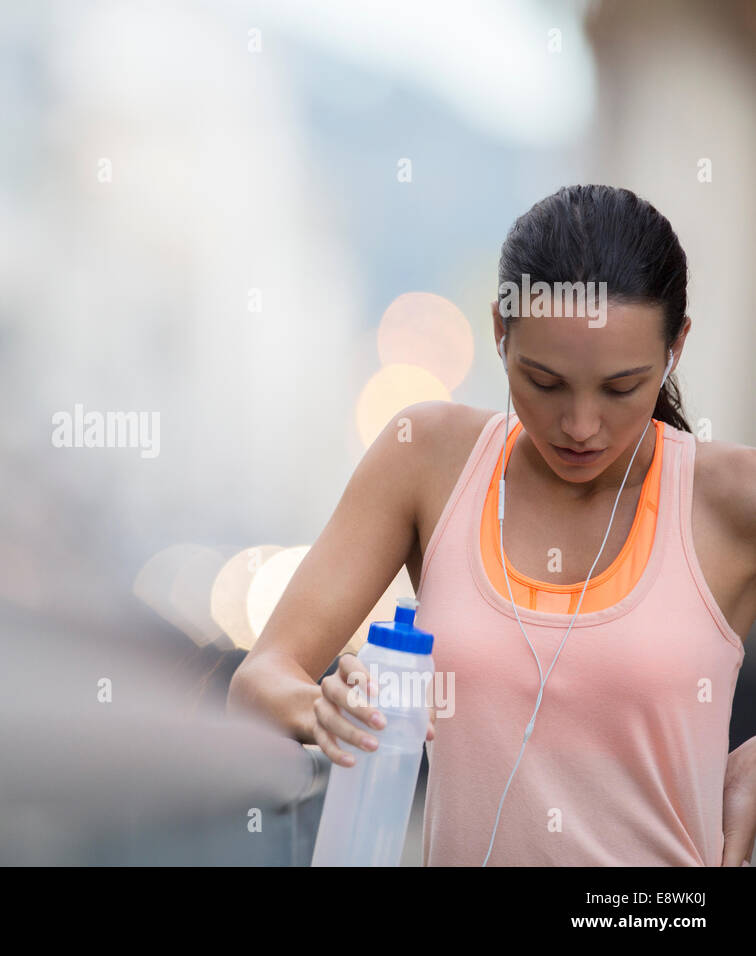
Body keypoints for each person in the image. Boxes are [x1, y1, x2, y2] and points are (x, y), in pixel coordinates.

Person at [227, 184, 756, 866]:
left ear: (676, 347)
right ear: (500, 333)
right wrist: (318, 709)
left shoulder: (727, 496)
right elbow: (264, 673)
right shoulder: (427, 456)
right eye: (544, 381)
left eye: (622, 388)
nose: (581, 425)